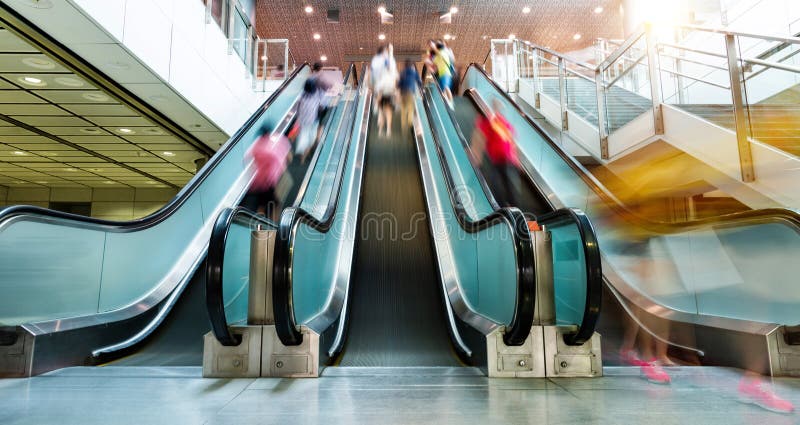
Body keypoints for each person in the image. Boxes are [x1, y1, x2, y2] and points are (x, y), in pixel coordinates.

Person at [470, 100, 519, 207]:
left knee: (496, 181)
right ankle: (512, 205)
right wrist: (515, 156)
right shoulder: (497, 120)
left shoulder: (489, 122)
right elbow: (511, 136)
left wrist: (476, 155)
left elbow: (480, 138)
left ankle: (502, 205)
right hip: (504, 157)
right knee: (506, 181)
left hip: (500, 157)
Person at [245, 123, 291, 221]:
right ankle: (273, 228)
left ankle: (259, 226)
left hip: (259, 182)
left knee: (261, 205)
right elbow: (284, 161)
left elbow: (247, 157)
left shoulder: (256, 147)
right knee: (276, 205)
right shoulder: (275, 144)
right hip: (273, 181)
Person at [294, 78, 321, 163]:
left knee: (303, 136)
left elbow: (297, 109)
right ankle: (307, 152)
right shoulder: (316, 96)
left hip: (303, 120)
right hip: (313, 120)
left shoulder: (301, 97)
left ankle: (303, 153)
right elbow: (319, 106)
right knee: (311, 136)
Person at [375, 51, 398, 137]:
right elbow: (395, 84)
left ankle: (381, 130)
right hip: (389, 94)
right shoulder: (392, 73)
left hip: (383, 94)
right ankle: (387, 129)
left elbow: (378, 85)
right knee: (387, 112)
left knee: (381, 112)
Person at [398, 60, 421, 132]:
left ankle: (403, 125)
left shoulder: (402, 73)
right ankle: (410, 122)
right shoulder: (414, 72)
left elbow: (399, 84)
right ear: (411, 66)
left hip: (403, 93)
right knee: (410, 107)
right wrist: (421, 88)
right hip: (410, 92)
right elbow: (419, 82)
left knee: (403, 108)